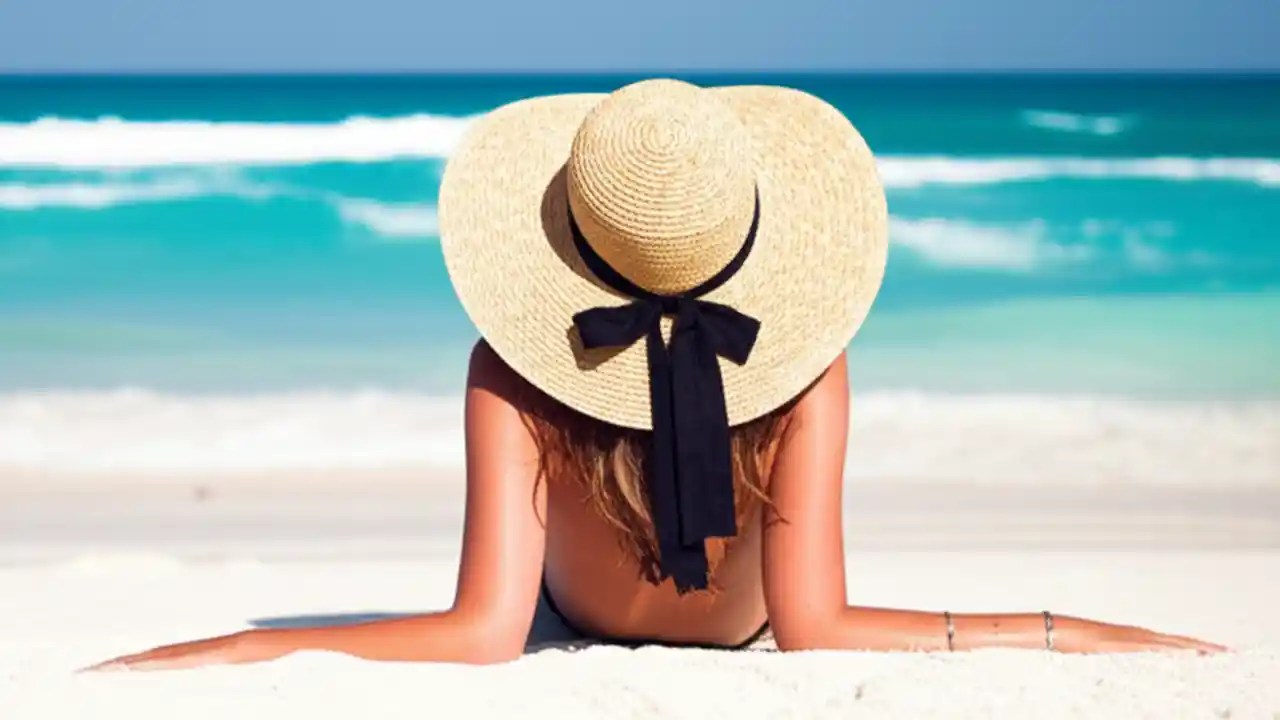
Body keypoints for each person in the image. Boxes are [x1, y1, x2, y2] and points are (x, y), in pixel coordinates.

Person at [87, 79, 1224, 671]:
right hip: (738, 634)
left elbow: (484, 634)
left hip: (569, 619)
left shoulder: (512, 371)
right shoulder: (805, 371)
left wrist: (255, 644)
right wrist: (1044, 627)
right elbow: (813, 628)